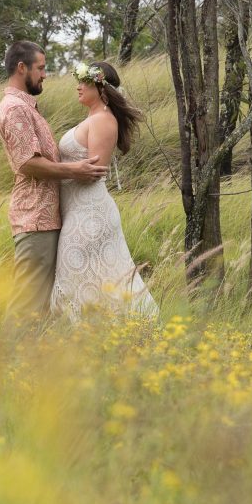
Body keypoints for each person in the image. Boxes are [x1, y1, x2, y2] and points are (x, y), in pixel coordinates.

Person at [0, 40, 105, 318]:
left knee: (39, 306)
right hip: (35, 217)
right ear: (22, 68)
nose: (45, 74)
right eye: (41, 68)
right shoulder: (15, 109)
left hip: (43, 216)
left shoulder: (26, 107)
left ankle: (27, 359)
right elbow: (28, 163)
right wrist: (74, 170)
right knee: (27, 304)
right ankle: (7, 358)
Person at [50, 60, 159, 322]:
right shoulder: (92, 118)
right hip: (78, 210)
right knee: (84, 278)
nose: (78, 87)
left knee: (79, 275)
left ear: (101, 88)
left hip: (89, 214)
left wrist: (56, 169)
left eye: (84, 82)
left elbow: (93, 172)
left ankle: (110, 332)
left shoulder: (103, 120)